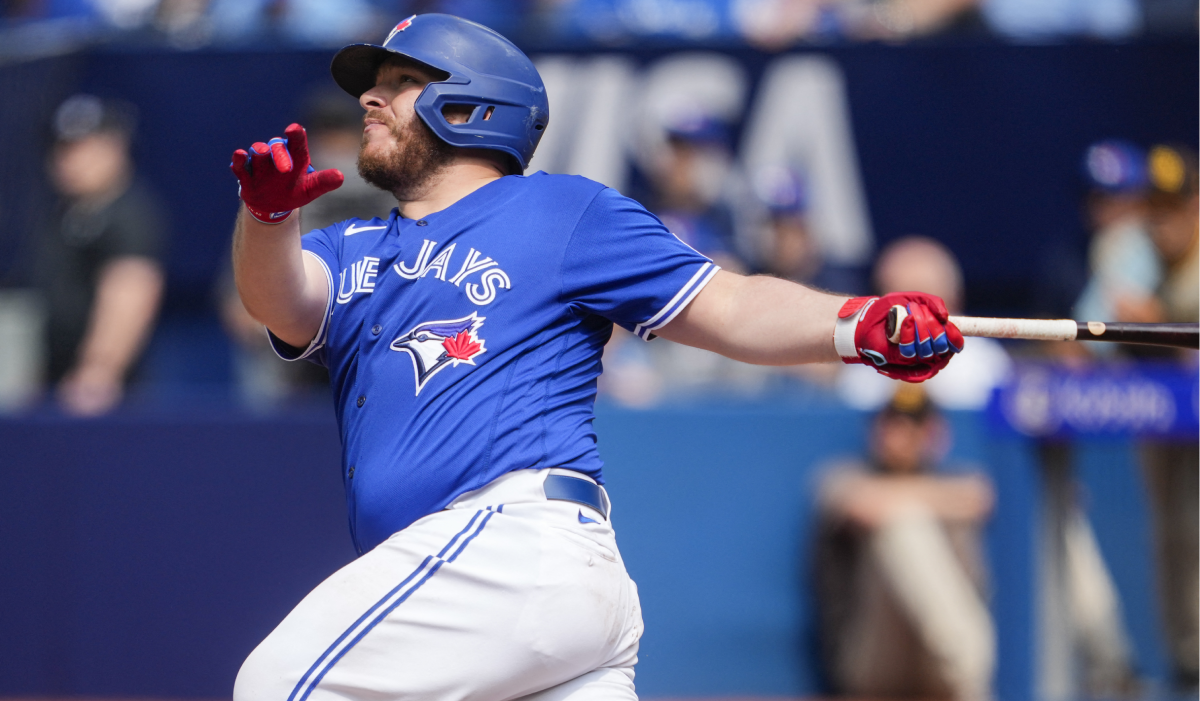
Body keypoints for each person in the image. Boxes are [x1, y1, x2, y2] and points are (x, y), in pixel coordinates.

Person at [226, 14, 962, 699]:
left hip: (508, 544)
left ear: (471, 103)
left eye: (399, 81)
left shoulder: (561, 213)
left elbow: (730, 305)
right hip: (497, 589)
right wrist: (267, 217)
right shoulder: (351, 246)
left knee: (276, 684)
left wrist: (856, 322)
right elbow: (280, 300)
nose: (370, 99)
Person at [814, 384, 995, 701]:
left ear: (935, 434)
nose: (899, 435)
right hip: (872, 661)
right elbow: (866, 505)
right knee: (905, 522)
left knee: (1059, 506)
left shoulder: (957, 478)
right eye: (891, 423)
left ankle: (1093, 668)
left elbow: (982, 497)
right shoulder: (845, 475)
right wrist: (945, 500)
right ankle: (972, 674)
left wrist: (944, 498)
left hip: (936, 668)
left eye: (913, 425)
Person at [36, 94, 166, 416]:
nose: (73, 160)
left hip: (104, 392)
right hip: (55, 379)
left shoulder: (129, 215)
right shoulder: (64, 213)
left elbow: (132, 291)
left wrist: (99, 370)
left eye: (86, 147)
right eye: (64, 149)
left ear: (116, 148)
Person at [838, 236, 1011, 411]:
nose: (915, 313)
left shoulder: (985, 364)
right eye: (903, 299)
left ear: (954, 298)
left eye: (926, 297)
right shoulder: (860, 367)